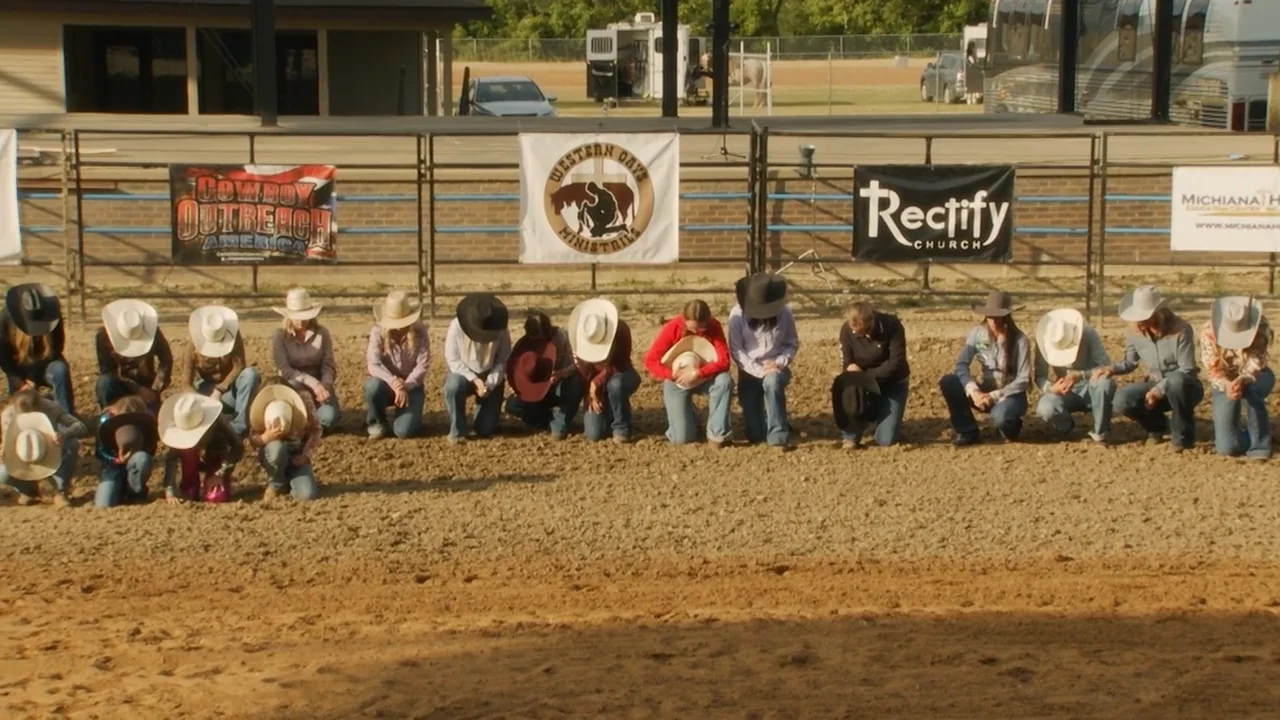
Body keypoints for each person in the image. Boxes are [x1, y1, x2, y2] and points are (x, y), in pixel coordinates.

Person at [1100, 285, 1204, 451]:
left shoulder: (1181, 329)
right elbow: (1130, 362)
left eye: (1144, 317)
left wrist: (1158, 390)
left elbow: (1186, 369)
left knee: (1176, 381)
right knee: (1121, 400)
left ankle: (1183, 437)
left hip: (1185, 386)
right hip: (1153, 382)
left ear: (1157, 312)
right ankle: (1156, 426)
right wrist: (1111, 369)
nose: (1138, 322)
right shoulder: (1133, 332)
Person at [939, 290, 1031, 445]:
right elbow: (961, 364)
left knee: (999, 418)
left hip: (1010, 394)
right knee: (949, 382)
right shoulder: (977, 334)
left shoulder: (1020, 340)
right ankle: (967, 431)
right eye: (990, 317)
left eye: (998, 317)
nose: (993, 321)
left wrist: (993, 396)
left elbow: (1023, 379)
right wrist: (974, 391)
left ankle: (1010, 425)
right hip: (984, 390)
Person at [644, 299, 733, 446]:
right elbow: (650, 360)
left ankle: (717, 433)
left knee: (724, 381)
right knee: (682, 439)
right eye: (692, 330)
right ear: (684, 321)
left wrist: (699, 372)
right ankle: (691, 416)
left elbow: (724, 361)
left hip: (704, 376)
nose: (697, 332)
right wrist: (672, 375)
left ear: (707, 321)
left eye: (701, 330)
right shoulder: (672, 328)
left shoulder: (714, 326)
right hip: (677, 380)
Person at [728, 273, 799, 450]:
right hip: (749, 370)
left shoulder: (785, 314)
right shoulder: (736, 315)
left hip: (776, 367)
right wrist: (759, 370)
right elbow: (737, 350)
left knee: (772, 382)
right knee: (755, 434)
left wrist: (779, 362)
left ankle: (778, 436)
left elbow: (791, 343)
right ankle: (769, 421)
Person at [1201, 295, 1273, 460]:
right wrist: (1227, 384)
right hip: (1224, 380)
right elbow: (1212, 367)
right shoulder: (1208, 332)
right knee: (1227, 447)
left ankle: (1260, 446)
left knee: (1251, 391)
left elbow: (1257, 362)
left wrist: (1243, 379)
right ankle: (1247, 435)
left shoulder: (1260, 328)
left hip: (1257, 375)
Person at [1033, 307, 1115, 443]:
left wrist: (1080, 375)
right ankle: (1065, 429)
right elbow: (1040, 376)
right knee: (1046, 406)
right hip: (1065, 389)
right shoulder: (1043, 343)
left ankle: (1100, 431)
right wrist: (1050, 388)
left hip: (1091, 385)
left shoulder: (1088, 334)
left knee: (1104, 384)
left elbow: (1105, 367)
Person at [838, 301, 910, 448]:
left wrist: (867, 376)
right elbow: (847, 360)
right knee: (849, 384)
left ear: (870, 324)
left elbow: (895, 363)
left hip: (892, 382)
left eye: (859, 332)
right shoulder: (846, 331)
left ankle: (883, 420)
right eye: (852, 330)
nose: (854, 334)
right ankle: (851, 435)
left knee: (886, 440)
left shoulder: (892, 326)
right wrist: (851, 369)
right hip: (863, 383)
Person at [443, 293, 512, 444]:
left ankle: (483, 417)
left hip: (490, 374)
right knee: (453, 385)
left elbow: (502, 360)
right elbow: (453, 359)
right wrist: (474, 379)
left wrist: (490, 383)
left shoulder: (502, 329)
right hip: (463, 373)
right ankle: (457, 429)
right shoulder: (456, 326)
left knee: (485, 429)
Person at [0, 388, 87, 507]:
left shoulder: (52, 408)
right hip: (23, 456)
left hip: (52, 451)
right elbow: (6, 444)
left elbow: (80, 426)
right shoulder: (8, 415)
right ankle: (29, 491)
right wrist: (3, 454)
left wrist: (64, 434)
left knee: (71, 444)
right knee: (3, 474)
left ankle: (60, 491)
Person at [570, 298, 639, 443]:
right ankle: (609, 414)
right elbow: (582, 370)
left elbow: (619, 364)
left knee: (616, 385)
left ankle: (622, 427)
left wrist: (597, 382)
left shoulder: (621, 331)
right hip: (594, 386)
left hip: (620, 374)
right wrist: (591, 393)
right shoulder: (577, 337)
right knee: (594, 434)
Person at [505, 311, 582, 440]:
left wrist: (562, 373)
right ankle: (547, 420)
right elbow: (515, 371)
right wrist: (516, 387)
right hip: (535, 389)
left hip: (559, 385)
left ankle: (558, 421)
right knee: (512, 405)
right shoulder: (523, 345)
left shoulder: (562, 336)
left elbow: (577, 364)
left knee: (575, 385)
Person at [363, 291, 429, 439]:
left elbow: (422, 365)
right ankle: (377, 422)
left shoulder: (420, 332)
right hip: (386, 383)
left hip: (412, 385)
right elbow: (373, 364)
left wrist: (406, 385)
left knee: (403, 431)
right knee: (372, 386)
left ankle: (407, 419)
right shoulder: (377, 332)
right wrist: (394, 382)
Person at [271, 287, 339, 431]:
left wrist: (325, 385)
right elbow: (286, 370)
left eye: (304, 316)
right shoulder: (280, 336)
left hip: (320, 388)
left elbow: (328, 365)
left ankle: (304, 420)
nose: (301, 322)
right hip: (294, 386)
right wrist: (314, 384)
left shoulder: (322, 333)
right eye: (297, 317)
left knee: (329, 418)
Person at [186, 304, 260, 436]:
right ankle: (219, 422)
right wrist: (196, 398)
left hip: (231, 389)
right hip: (206, 390)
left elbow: (239, 365)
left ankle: (239, 425)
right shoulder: (193, 345)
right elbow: (185, 382)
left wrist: (220, 389)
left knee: (250, 374)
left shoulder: (234, 335)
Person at [0, 283, 74, 413]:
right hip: (19, 368)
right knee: (22, 404)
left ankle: (67, 417)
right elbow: (4, 359)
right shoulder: (5, 319)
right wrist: (20, 382)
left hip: (46, 363)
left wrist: (33, 376)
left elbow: (56, 349)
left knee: (60, 370)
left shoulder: (53, 316)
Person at [158, 391, 242, 504]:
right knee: (188, 494)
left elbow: (237, 446)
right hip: (191, 461)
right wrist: (169, 489)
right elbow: (172, 457)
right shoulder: (180, 428)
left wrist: (220, 473)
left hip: (216, 458)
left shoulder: (218, 420)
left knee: (216, 497)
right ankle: (190, 486)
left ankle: (210, 483)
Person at [95, 298, 172, 413]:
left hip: (146, 386)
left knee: (149, 419)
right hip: (118, 384)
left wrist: (155, 389)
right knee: (104, 383)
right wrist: (136, 389)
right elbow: (107, 371)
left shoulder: (152, 332)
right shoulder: (103, 336)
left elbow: (166, 359)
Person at [249, 381, 321, 501]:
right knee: (276, 448)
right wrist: (264, 438)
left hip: (296, 455)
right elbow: (252, 437)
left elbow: (315, 429)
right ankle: (276, 483)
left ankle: (290, 480)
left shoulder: (303, 401)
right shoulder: (258, 405)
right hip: (272, 454)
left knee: (306, 495)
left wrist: (306, 455)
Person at [93, 395, 157, 508]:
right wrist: (116, 460)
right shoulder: (105, 421)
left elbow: (151, 446)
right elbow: (100, 451)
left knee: (142, 459)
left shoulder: (147, 421)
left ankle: (135, 492)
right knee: (103, 505)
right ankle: (119, 488)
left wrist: (137, 449)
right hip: (111, 465)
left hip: (135, 459)